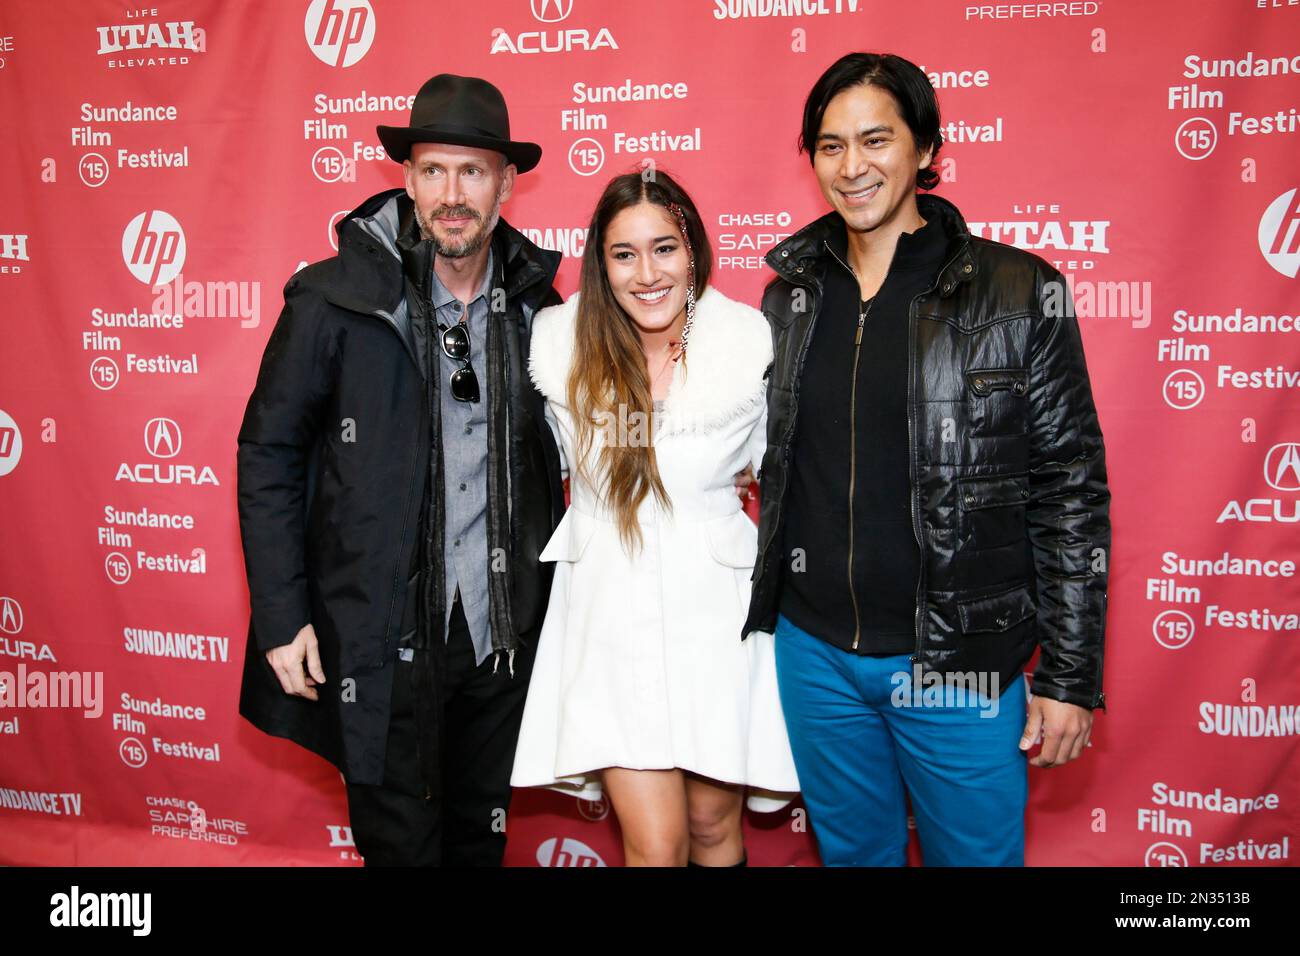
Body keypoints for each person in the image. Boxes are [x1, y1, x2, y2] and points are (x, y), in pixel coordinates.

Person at [743, 52, 1111, 866]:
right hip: (816, 656)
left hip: (957, 662)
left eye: (876, 139)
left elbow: (1070, 492)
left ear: (926, 149)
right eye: (831, 146)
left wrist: (1070, 676)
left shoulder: (1019, 290)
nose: (852, 165)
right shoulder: (789, 294)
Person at [236, 74, 564, 866]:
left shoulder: (539, 307)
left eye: (474, 171)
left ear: (506, 183)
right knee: (401, 852)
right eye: (434, 170)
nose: (453, 194)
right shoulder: (335, 299)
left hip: (500, 642)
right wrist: (282, 617)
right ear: (409, 179)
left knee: (478, 848)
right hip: (380, 641)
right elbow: (268, 452)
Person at [510, 170, 800, 867]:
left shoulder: (745, 343)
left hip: (715, 617)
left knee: (711, 830)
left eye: (664, 248)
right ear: (600, 262)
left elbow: (789, 476)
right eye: (624, 253)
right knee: (656, 844)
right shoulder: (560, 343)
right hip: (607, 617)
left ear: (693, 250)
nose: (647, 273)